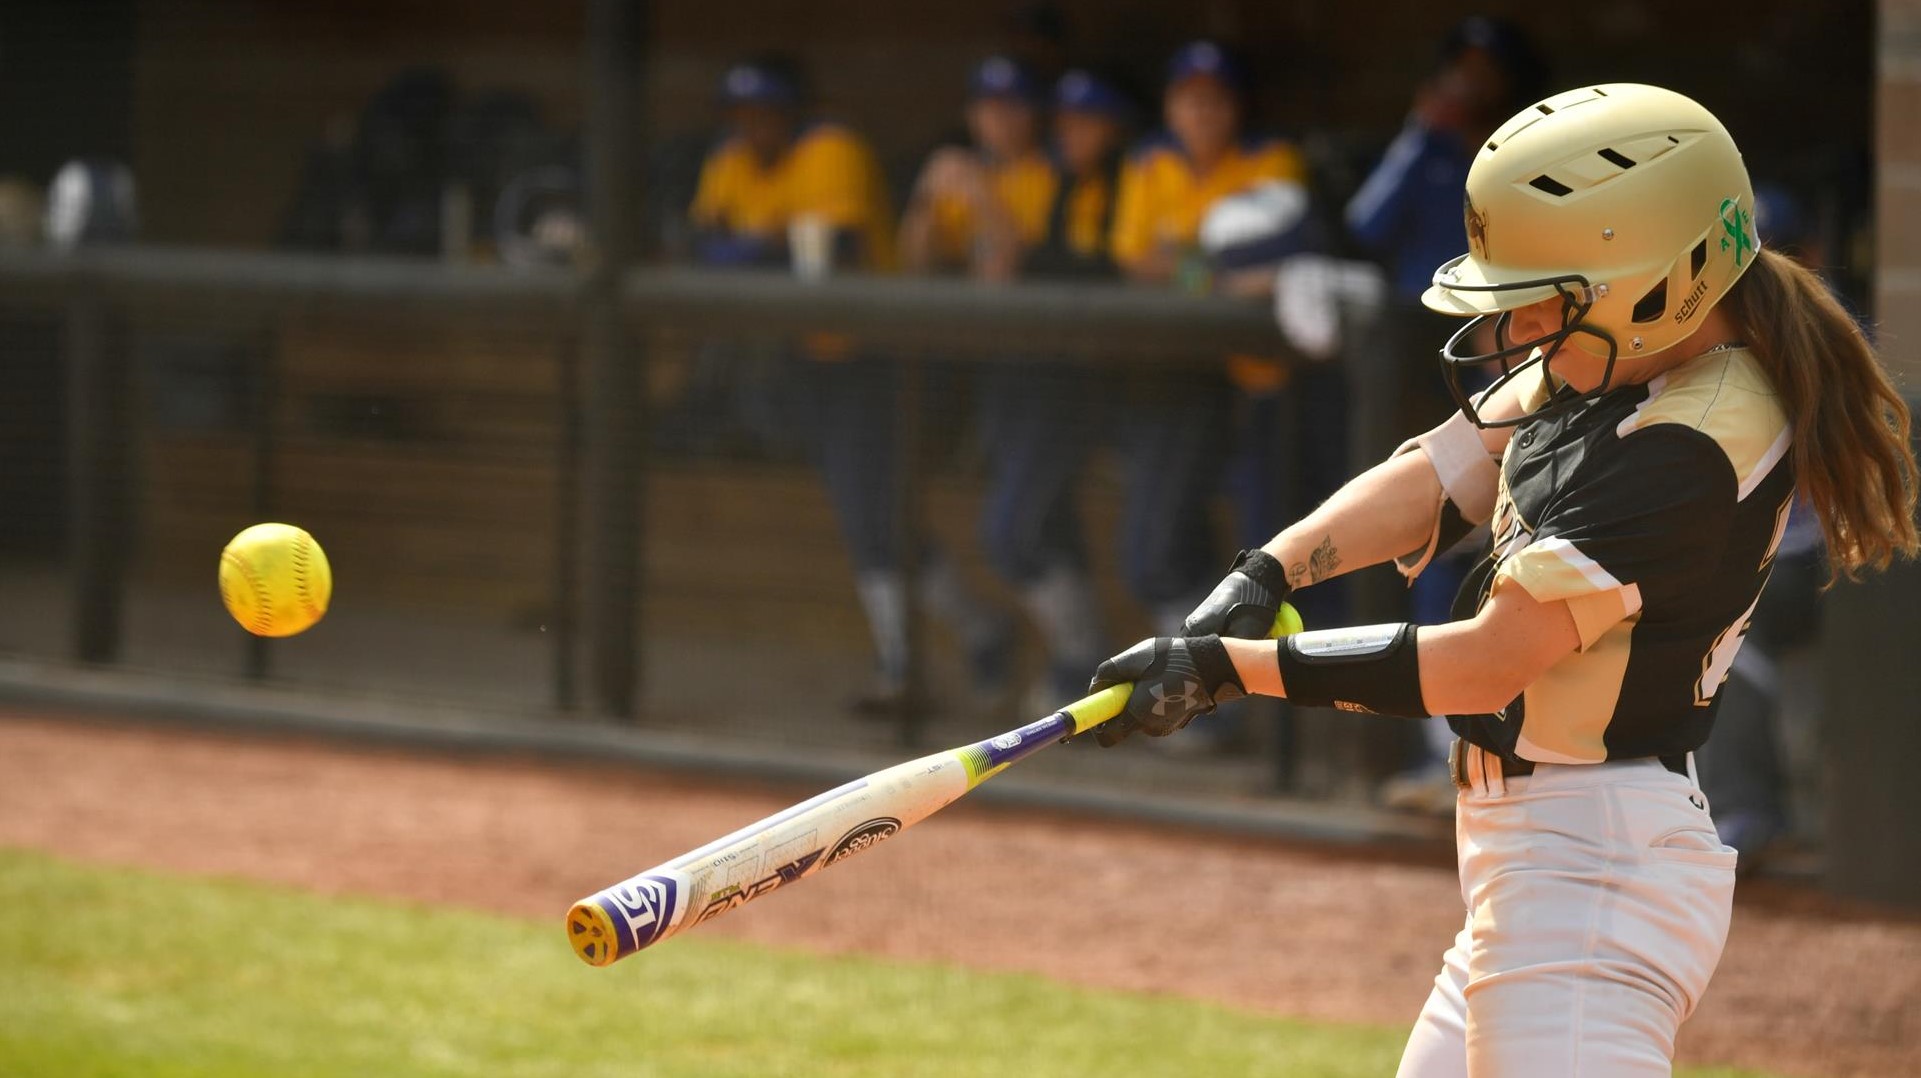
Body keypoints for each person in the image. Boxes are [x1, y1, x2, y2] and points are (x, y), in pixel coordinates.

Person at [1082, 84, 1917, 1072]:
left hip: (1592, 870)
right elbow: (1438, 469)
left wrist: (1228, 668)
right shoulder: (1625, 356)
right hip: (1546, 860)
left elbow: (1487, 662)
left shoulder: (1689, 444)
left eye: (1548, 301)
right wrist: (1264, 572)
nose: (1519, 332)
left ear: (1662, 279)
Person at [688, 55, 1009, 714]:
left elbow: (820, 252)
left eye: (767, 111)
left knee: (874, 514)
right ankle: (970, 632)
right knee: (869, 517)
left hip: (874, 358)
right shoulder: (729, 159)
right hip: (804, 362)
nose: (754, 125)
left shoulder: (829, 147)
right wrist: (756, 246)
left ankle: (911, 660)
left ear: (795, 111)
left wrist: (753, 246)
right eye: (743, 113)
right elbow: (704, 244)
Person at [1345, 16, 1548, 812]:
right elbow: (1365, 225)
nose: (1468, 83)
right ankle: (1452, 758)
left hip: (1529, 389)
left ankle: (1484, 754)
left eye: (1484, 70)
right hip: (1434, 387)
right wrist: (1416, 133)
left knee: (1504, 584)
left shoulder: (1523, 167)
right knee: (1432, 568)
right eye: (1457, 67)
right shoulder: (1429, 150)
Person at [901, 61, 1131, 708]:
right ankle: (1080, 665)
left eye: (1013, 105)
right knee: (1043, 525)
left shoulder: (1046, 175)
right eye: (986, 104)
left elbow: (1013, 264)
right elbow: (914, 265)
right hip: (1000, 377)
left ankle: (1084, 659)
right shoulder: (977, 173)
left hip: (1061, 376)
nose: (998, 118)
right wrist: (927, 197)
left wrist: (977, 195)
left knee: (1010, 529)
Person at [1108, 41, 1309, 635]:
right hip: (1176, 380)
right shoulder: (1150, 161)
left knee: (1269, 545)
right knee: (1159, 545)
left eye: (1215, 100)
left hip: (1265, 387)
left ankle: (1248, 677)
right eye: (1189, 100)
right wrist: (1215, 273)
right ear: (1170, 107)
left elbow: (1278, 266)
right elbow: (1133, 261)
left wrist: (1185, 262)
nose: (1202, 113)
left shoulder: (1271, 160)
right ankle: (1208, 672)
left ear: (1237, 108)